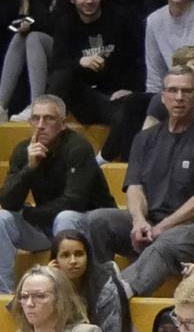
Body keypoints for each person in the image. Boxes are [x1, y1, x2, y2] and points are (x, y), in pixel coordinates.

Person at [56, 67, 194, 332]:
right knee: (97, 221)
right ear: (163, 96)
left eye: (186, 91)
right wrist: (138, 221)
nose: (179, 97)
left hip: (193, 230)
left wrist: (160, 227)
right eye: (173, 90)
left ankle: (114, 294)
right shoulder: (145, 139)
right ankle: (92, 286)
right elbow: (134, 186)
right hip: (149, 222)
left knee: (164, 243)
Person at [0, 94, 113, 294]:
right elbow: (8, 202)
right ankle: (4, 293)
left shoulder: (78, 147)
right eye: (35, 118)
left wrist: (29, 214)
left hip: (85, 225)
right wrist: (29, 168)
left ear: (62, 124)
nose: (41, 125)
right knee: (2, 219)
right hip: (47, 225)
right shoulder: (23, 150)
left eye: (49, 119)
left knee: (65, 216)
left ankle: (67, 293)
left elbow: (74, 201)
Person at [46, 0, 145, 156]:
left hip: (115, 95)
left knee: (128, 111)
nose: (89, 1)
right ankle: (46, 136)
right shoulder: (65, 23)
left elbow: (137, 60)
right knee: (61, 76)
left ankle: (104, 159)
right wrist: (80, 62)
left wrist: (130, 89)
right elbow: (57, 65)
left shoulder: (121, 19)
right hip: (82, 95)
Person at [0, 0, 61, 116]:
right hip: (36, 46)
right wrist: (23, 25)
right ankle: (1, 105)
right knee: (20, 36)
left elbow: (52, 24)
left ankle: (37, 106)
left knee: (33, 36)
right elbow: (18, 21)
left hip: (60, 46)